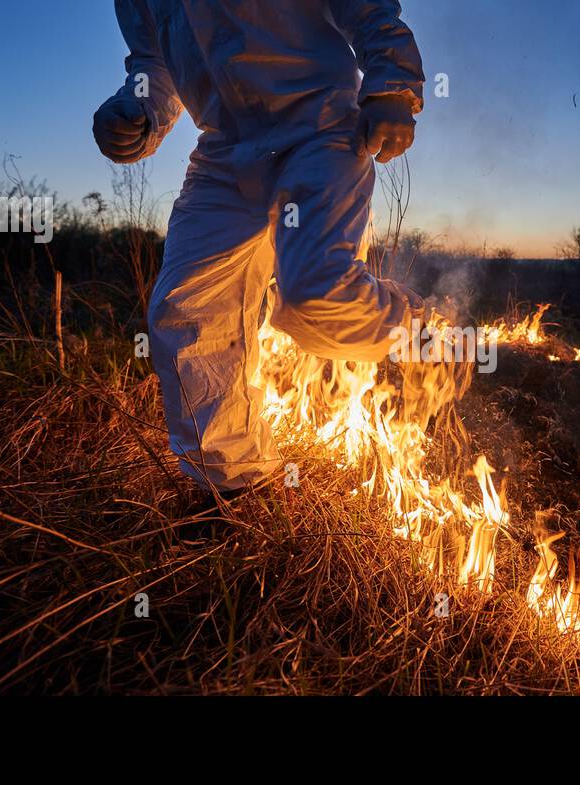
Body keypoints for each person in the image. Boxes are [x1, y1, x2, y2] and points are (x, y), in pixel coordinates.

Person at [93, 0, 425, 494]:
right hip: (226, 150)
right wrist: (136, 112)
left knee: (317, 293)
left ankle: (420, 330)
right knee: (185, 308)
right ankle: (230, 485)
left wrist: (393, 81)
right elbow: (154, 65)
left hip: (320, 124)